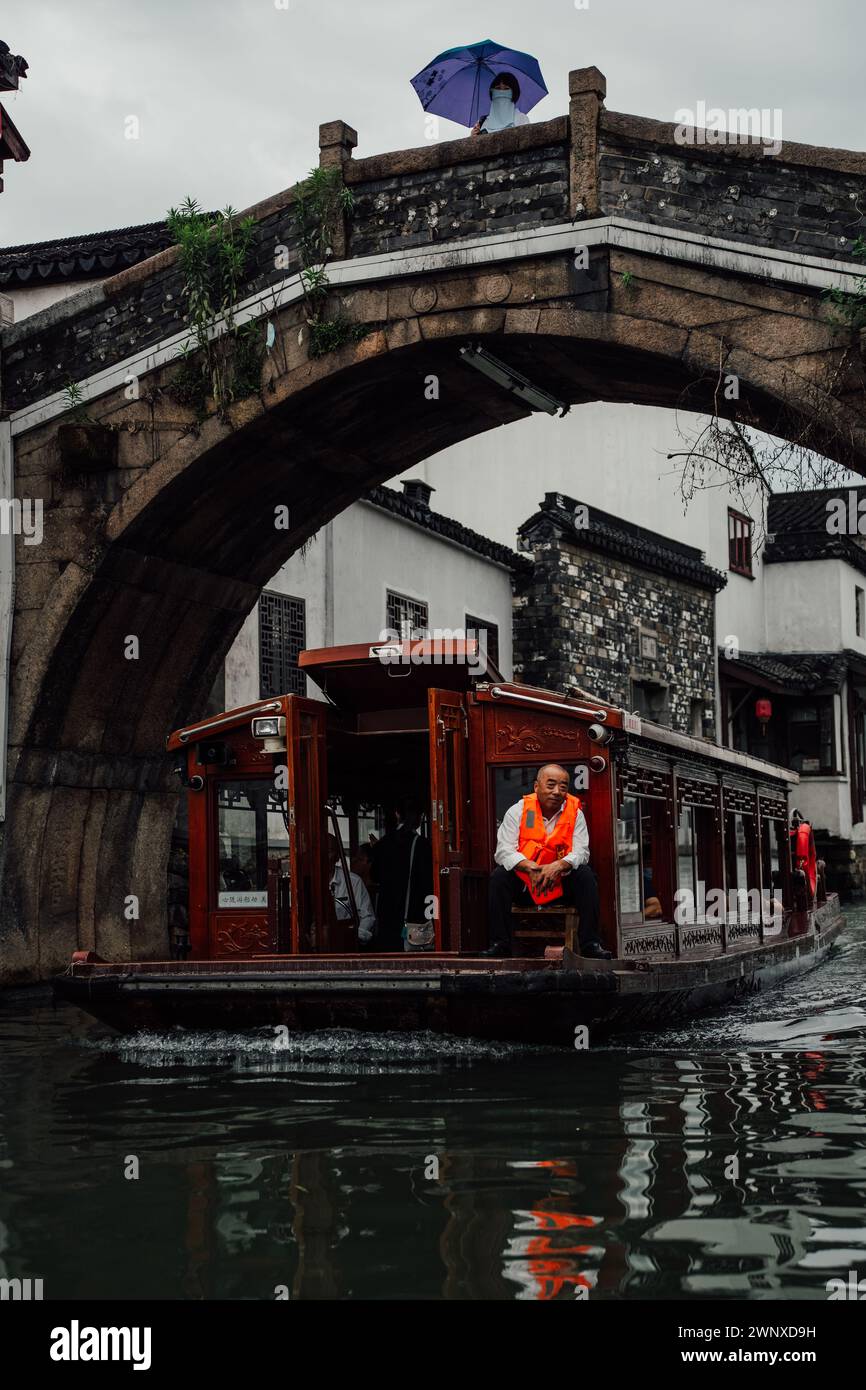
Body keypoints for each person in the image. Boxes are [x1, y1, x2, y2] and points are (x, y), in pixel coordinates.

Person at [484, 764, 611, 959]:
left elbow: (582, 852)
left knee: (586, 875)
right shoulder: (518, 811)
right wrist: (530, 868)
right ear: (536, 787)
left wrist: (558, 866)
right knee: (499, 877)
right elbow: (503, 852)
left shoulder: (575, 813)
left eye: (563, 786)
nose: (557, 791)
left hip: (560, 884)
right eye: (550, 785)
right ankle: (500, 943)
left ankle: (590, 944)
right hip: (526, 885)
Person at [369, 800, 433, 952]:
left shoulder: (383, 844)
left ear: (397, 814)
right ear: (420, 818)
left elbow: (374, 876)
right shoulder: (422, 845)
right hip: (415, 917)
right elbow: (428, 885)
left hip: (387, 919)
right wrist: (433, 914)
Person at [327, 833, 376, 944]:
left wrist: (353, 938)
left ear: (337, 856)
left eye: (329, 851)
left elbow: (367, 917)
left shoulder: (353, 882)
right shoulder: (308, 882)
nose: (323, 855)